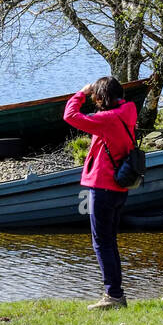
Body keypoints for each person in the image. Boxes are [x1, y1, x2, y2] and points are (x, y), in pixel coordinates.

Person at [63, 76, 137, 309]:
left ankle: (113, 296)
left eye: (96, 97)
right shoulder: (128, 110)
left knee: (101, 243)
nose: (93, 100)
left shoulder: (107, 119)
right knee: (109, 242)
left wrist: (81, 94)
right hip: (120, 187)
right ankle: (116, 294)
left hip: (103, 187)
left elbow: (70, 116)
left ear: (102, 97)